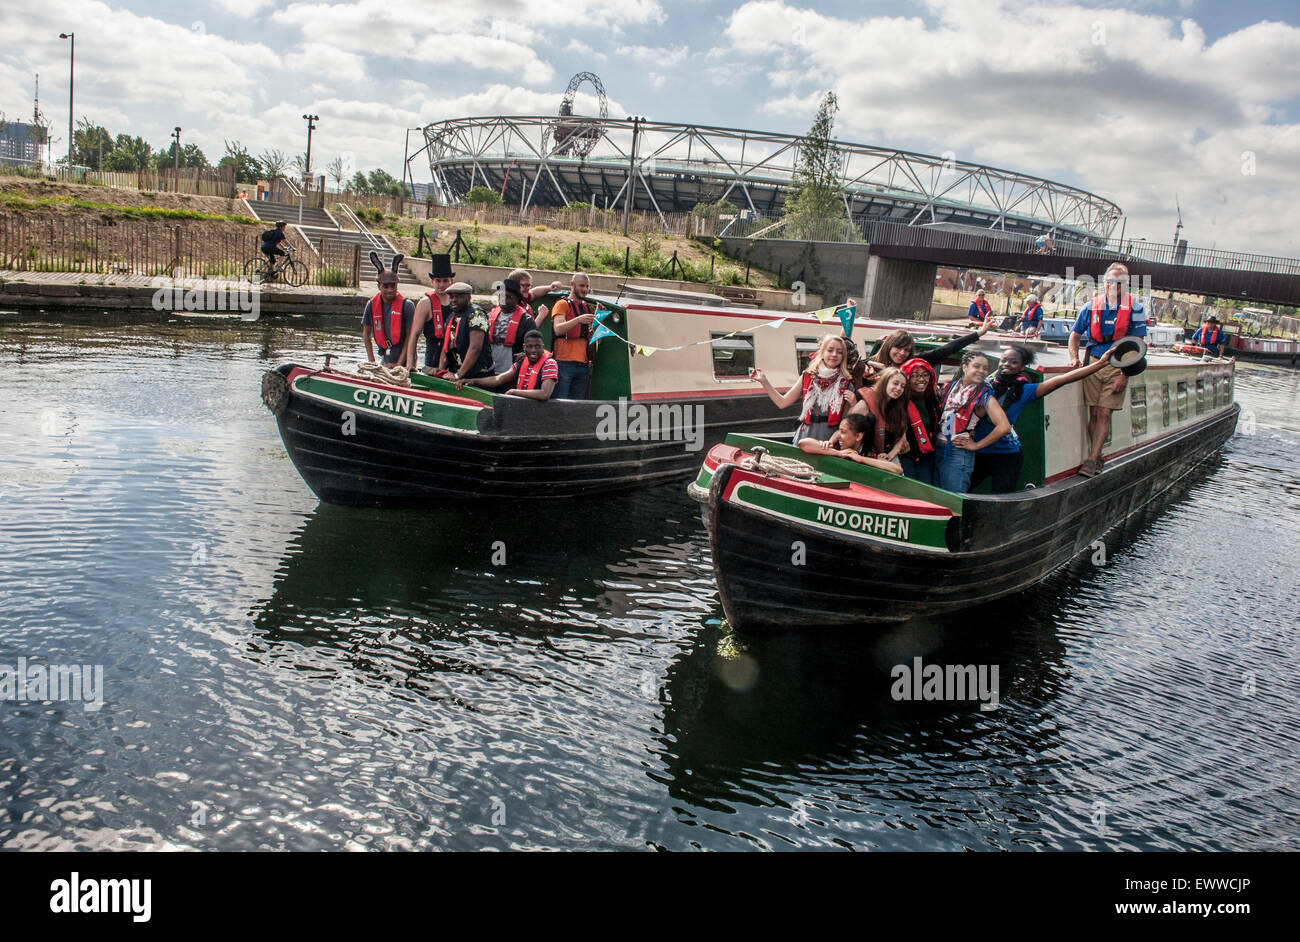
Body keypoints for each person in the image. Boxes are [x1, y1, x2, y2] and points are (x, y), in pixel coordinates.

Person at [970, 345, 1117, 493]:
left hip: (1006, 455)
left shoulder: (1026, 391)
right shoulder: (984, 385)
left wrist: (1100, 364)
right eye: (1004, 360)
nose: (1007, 364)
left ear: (1022, 368)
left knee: (1001, 496)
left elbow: (1063, 380)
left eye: (1013, 362)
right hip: (978, 453)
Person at [1067, 261, 1148, 477]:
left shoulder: (1136, 309)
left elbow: (1136, 346)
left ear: (1126, 284)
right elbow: (1074, 336)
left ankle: (1092, 460)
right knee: (1093, 412)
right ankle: (1097, 453)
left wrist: (1125, 375)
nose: (1115, 285)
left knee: (1104, 412)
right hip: (1093, 363)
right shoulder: (1090, 306)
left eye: (1120, 282)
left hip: (1117, 365)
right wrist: (1074, 359)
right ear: (1105, 282)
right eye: (1111, 281)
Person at [751, 333, 857, 444]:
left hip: (830, 440)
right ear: (822, 353)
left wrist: (854, 403)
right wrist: (764, 381)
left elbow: (848, 421)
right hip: (804, 437)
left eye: (839, 352)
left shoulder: (846, 383)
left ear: (843, 357)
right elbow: (782, 403)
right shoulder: (807, 377)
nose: (834, 355)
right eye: (830, 350)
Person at [935, 350, 1011, 493]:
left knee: (952, 501)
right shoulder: (950, 387)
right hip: (937, 448)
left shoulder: (984, 396)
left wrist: (976, 445)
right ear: (964, 367)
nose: (982, 371)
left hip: (957, 453)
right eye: (977, 366)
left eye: (985, 368)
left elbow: (1004, 427)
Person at [864, 319, 994, 381]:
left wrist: (979, 333)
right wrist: (870, 365)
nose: (902, 353)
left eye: (907, 350)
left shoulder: (914, 363)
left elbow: (946, 350)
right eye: (898, 348)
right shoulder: (870, 364)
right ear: (889, 345)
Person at [458, 330, 557, 401]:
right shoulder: (521, 362)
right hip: (523, 409)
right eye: (530, 347)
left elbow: (545, 394)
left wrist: (513, 392)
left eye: (537, 347)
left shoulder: (549, 364)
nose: (533, 351)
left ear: (543, 347)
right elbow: (498, 379)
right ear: (524, 347)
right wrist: (473, 381)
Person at [798, 412, 902, 474]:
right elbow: (803, 443)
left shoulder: (868, 455)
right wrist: (838, 453)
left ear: (858, 436)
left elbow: (897, 469)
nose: (839, 436)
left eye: (843, 432)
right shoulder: (834, 448)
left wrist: (861, 459)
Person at [848, 367, 911, 463]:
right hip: (861, 457)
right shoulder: (864, 405)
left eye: (902, 386)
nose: (899, 388)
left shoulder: (899, 408)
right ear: (884, 382)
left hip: (887, 456)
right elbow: (848, 434)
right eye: (895, 383)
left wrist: (889, 456)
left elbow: (902, 438)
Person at [404, 253, 455, 372]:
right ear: (432, 281)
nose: (441, 285)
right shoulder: (425, 303)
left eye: (445, 281)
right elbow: (414, 335)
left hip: (453, 367)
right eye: (438, 281)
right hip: (432, 365)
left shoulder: (456, 302)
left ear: (451, 281)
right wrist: (410, 363)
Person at [361, 252, 415, 366]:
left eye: (393, 286)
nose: (390, 290)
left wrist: (399, 364)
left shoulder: (407, 306)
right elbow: (366, 333)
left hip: (405, 359)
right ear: (379, 286)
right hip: (386, 357)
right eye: (385, 286)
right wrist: (371, 362)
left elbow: (410, 336)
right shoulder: (371, 305)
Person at [550, 273, 598, 399]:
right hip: (563, 363)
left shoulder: (587, 307)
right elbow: (558, 329)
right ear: (572, 284)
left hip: (583, 365)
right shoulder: (562, 304)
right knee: (560, 404)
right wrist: (578, 320)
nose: (585, 289)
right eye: (582, 286)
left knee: (577, 407)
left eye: (587, 286)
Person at [438, 281, 495, 382]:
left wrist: (458, 375)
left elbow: (475, 348)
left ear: (469, 298)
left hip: (478, 376)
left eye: (458, 297)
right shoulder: (452, 317)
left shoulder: (476, 315)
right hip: (457, 373)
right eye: (451, 297)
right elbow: (446, 346)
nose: (454, 300)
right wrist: (441, 371)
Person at [897, 357, 941, 485]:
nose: (921, 379)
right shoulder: (899, 399)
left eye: (925, 375)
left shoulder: (932, 398)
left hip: (926, 456)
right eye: (915, 375)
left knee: (925, 490)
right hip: (905, 455)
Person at [486, 278, 538, 374]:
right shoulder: (489, 316)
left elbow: (536, 346)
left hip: (511, 372)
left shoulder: (526, 320)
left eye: (508, 297)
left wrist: (526, 354)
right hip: (490, 370)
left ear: (517, 299)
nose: (503, 300)